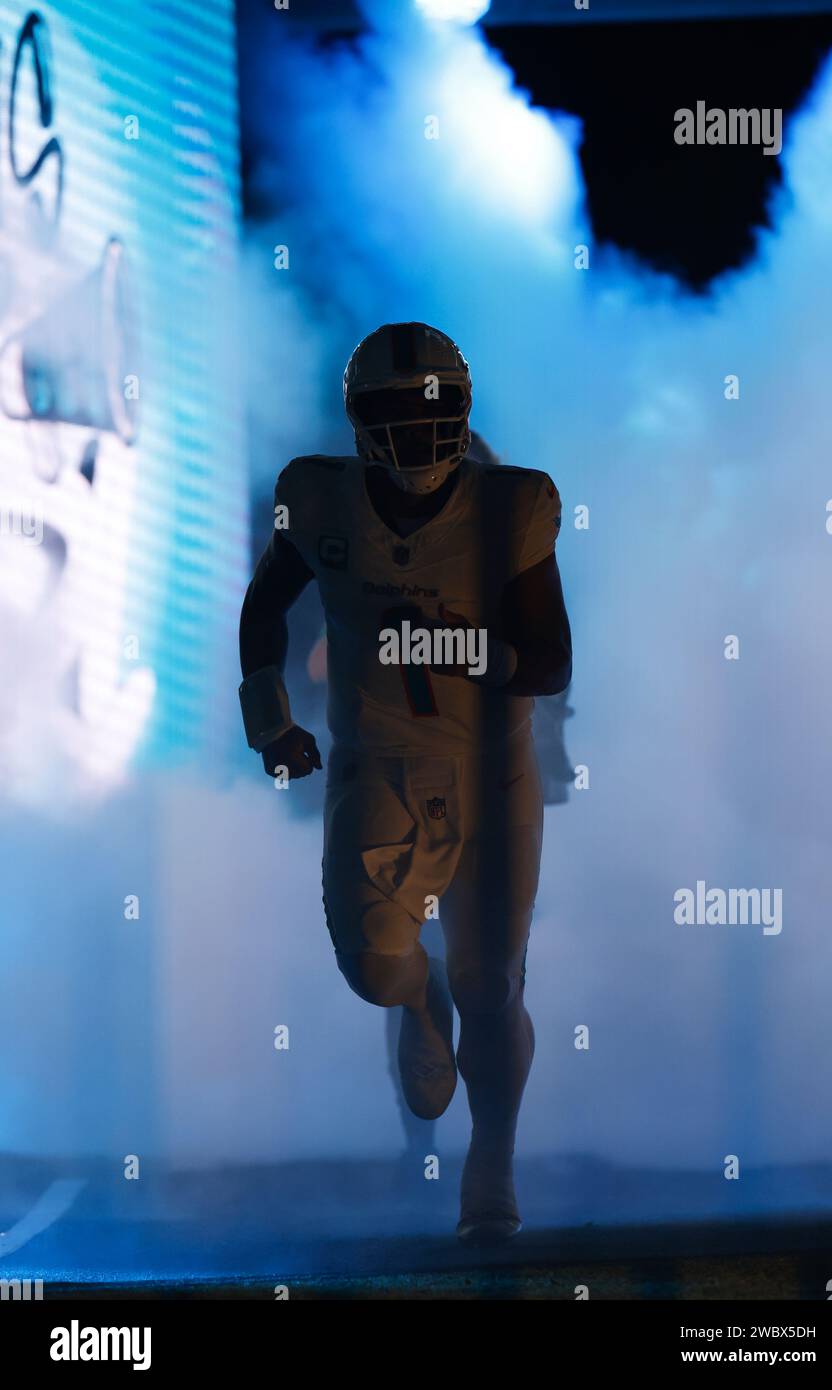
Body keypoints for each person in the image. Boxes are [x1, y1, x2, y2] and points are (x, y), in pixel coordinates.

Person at [238, 322, 571, 1242]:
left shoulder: (512, 510)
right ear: (359, 423)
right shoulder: (321, 504)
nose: (419, 436)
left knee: (490, 984)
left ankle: (490, 1167)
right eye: (398, 413)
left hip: (492, 774)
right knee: (373, 967)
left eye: (434, 414)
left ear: (463, 420)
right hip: (376, 767)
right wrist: (270, 720)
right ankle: (416, 1003)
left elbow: (551, 661)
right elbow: (266, 606)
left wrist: (463, 648)